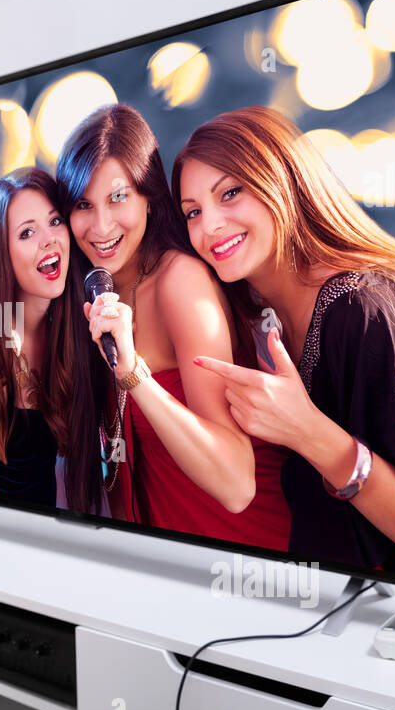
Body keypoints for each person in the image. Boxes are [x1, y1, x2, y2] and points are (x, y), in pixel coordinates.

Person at [175, 106, 395, 579]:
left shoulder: (369, 311)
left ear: (283, 182)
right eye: (193, 212)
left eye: (231, 193)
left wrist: (309, 432)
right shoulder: (254, 320)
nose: (209, 226)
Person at [56, 104, 292, 550]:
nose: (101, 225)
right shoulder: (91, 296)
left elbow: (236, 483)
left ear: (149, 197)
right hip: (173, 565)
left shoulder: (179, 282)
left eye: (118, 197)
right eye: (83, 205)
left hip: (251, 556)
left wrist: (133, 372)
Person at [0, 168, 104, 514]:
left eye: (55, 221)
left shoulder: (74, 329)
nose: (49, 239)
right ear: (4, 254)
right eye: (27, 232)